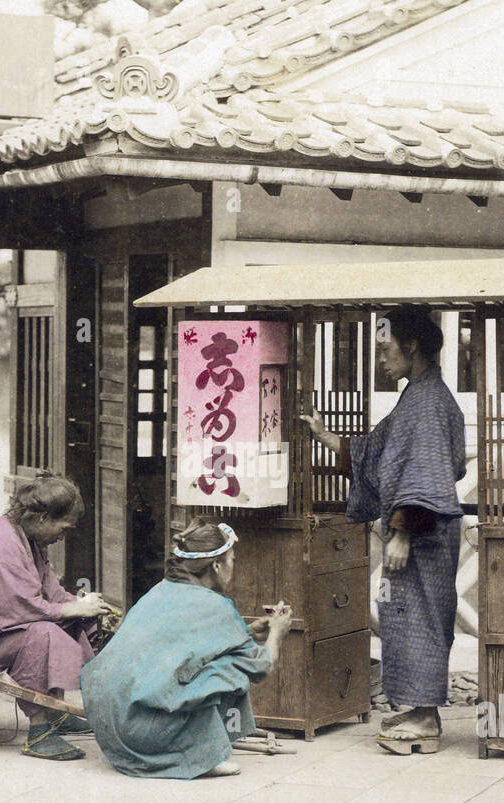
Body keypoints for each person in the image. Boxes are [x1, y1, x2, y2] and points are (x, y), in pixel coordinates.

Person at [302, 305, 466, 754]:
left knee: (420, 619)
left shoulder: (429, 402)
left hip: (420, 535)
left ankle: (426, 719)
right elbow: (376, 451)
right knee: (403, 615)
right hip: (416, 530)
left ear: (411, 346)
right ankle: (417, 709)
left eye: (384, 347)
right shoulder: (417, 396)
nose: (380, 358)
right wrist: (327, 436)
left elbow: (428, 473)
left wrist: (403, 532)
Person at [80, 522, 293, 779]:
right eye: (231, 560)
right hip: (141, 732)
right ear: (216, 566)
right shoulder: (216, 605)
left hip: (110, 731)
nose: (233, 568)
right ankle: (200, 757)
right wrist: (277, 633)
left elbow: (182, 647)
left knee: (223, 658)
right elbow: (261, 666)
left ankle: (205, 742)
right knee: (233, 667)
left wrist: (245, 633)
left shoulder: (159, 590)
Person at [0, 471, 115, 760]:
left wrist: (87, 605)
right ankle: (39, 731)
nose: (63, 537)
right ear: (44, 519)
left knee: (77, 617)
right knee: (43, 634)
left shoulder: (27, 538)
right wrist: (72, 607)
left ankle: (55, 712)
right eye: (64, 528)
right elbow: (18, 608)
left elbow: (50, 594)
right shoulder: (1, 542)